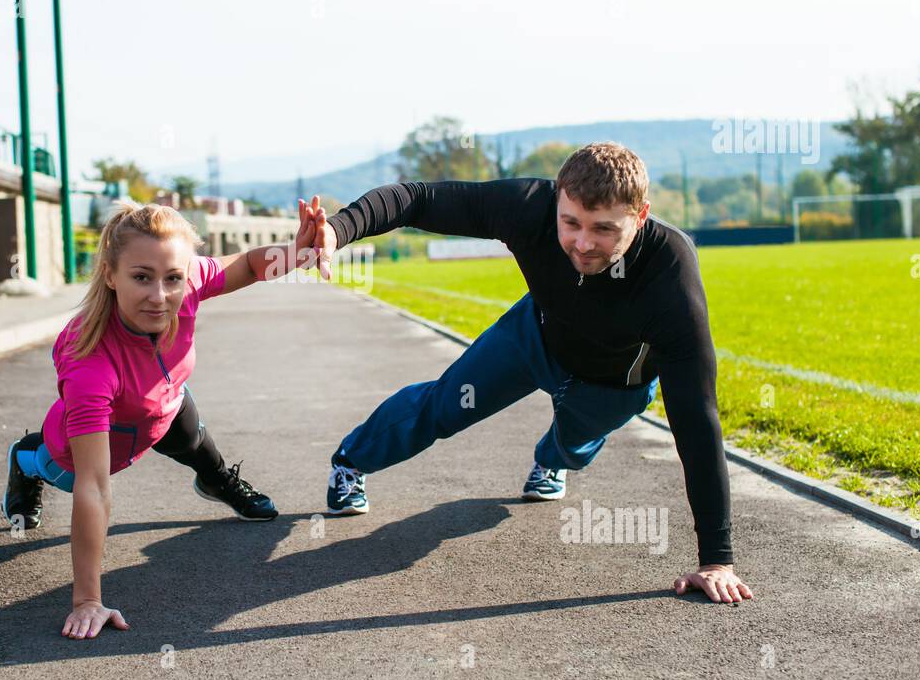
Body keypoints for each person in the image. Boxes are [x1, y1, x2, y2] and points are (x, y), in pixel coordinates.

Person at [301, 142, 753, 605]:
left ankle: (549, 461)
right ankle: (351, 462)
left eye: (604, 229)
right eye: (571, 222)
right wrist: (338, 229)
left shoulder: (670, 271)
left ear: (640, 216)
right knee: (446, 405)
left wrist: (717, 559)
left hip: (613, 384)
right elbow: (418, 199)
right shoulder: (529, 207)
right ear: (557, 199)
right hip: (534, 336)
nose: (582, 243)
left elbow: (696, 416)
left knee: (570, 450)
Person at [0, 198, 327, 638]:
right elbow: (94, 487)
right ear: (111, 275)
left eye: (172, 278)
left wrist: (296, 251)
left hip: (165, 405)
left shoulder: (187, 280)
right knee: (54, 467)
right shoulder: (90, 364)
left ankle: (215, 480)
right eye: (141, 278)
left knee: (197, 444)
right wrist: (87, 601)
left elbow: (248, 265)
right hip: (87, 448)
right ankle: (24, 458)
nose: (159, 296)